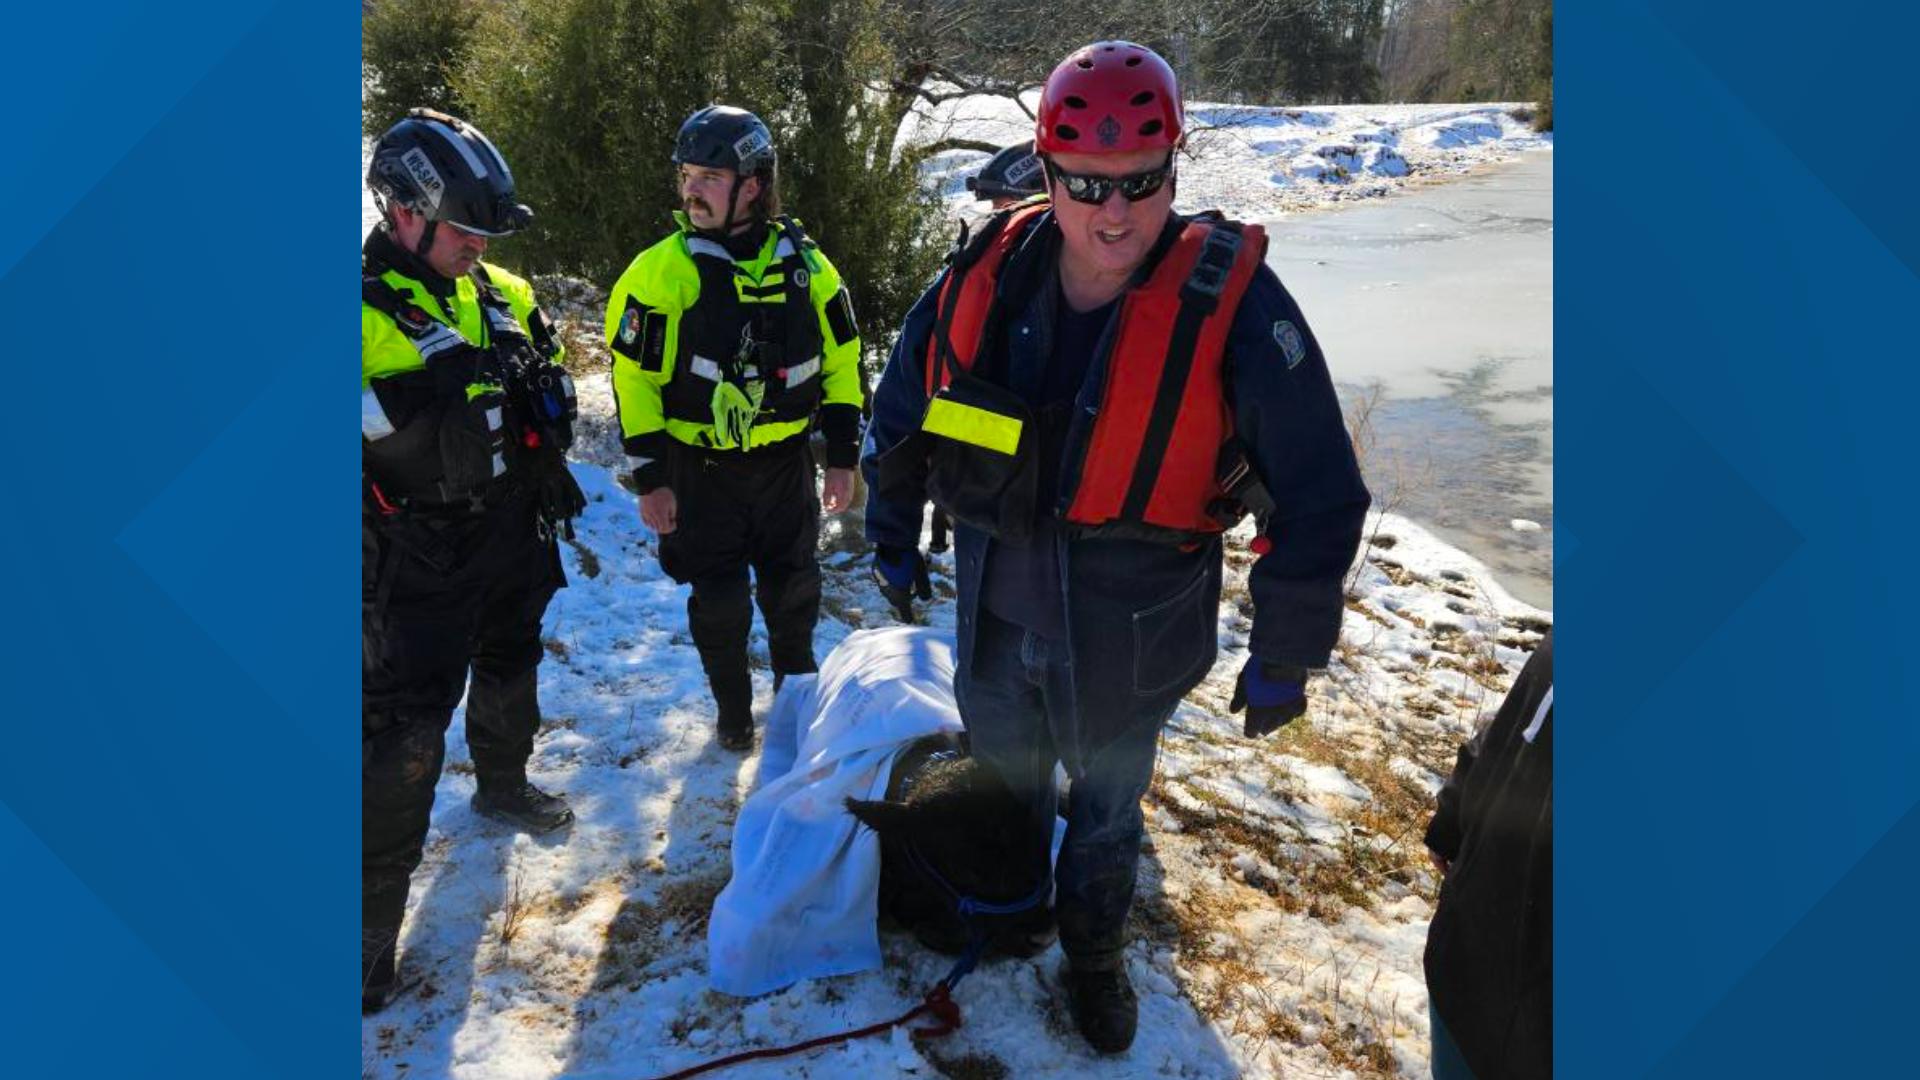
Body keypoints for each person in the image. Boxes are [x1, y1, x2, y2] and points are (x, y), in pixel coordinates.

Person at [860, 41, 1370, 1053]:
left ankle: (1092, 955)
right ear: (1045, 171)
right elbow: (904, 405)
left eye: (1143, 183)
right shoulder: (987, 274)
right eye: (1085, 185)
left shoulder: (1238, 304)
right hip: (997, 609)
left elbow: (1321, 489)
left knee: (1102, 813)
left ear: (1174, 170)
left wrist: (1287, 648)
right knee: (1006, 775)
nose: (1116, 213)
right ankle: (1008, 902)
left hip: (1129, 629)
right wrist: (891, 532)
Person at [362, 108, 585, 1013]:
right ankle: (367, 931)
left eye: (488, 231)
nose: (476, 246)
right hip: (409, 553)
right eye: (463, 229)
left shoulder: (505, 292)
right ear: (403, 209)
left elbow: (540, 379)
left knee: (511, 659)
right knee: (405, 733)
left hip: (507, 528)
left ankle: (501, 783)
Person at [606, 106, 865, 751]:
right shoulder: (660, 272)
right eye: (686, 175)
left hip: (782, 469)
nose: (691, 189)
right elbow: (633, 381)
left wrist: (841, 455)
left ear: (752, 183)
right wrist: (650, 479)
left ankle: (796, 710)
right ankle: (731, 713)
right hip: (703, 473)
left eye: (709, 177)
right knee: (719, 604)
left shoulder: (810, 267)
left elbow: (841, 361)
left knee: (794, 594)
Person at [1423, 632, 1553, 1080]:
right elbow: (1513, 720)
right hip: (1478, 957)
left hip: (1474, 950)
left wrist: (1454, 818)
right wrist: (1453, 819)